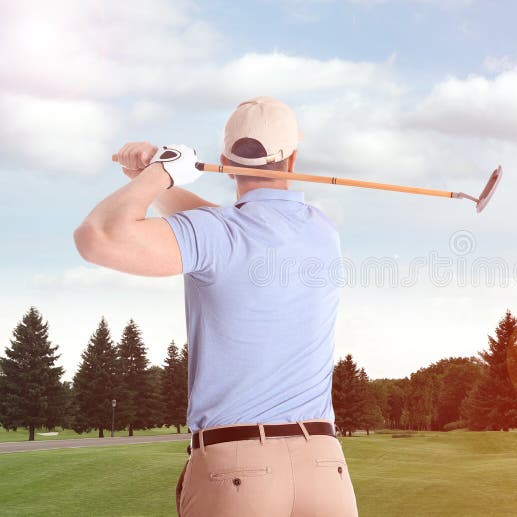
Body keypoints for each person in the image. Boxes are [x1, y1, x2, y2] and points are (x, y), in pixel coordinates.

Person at [73, 96, 358, 516]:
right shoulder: (321, 231)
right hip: (325, 469)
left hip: (236, 470)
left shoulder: (216, 235)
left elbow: (96, 236)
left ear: (225, 158)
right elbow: (235, 228)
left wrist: (158, 176)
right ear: (294, 158)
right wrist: (155, 173)